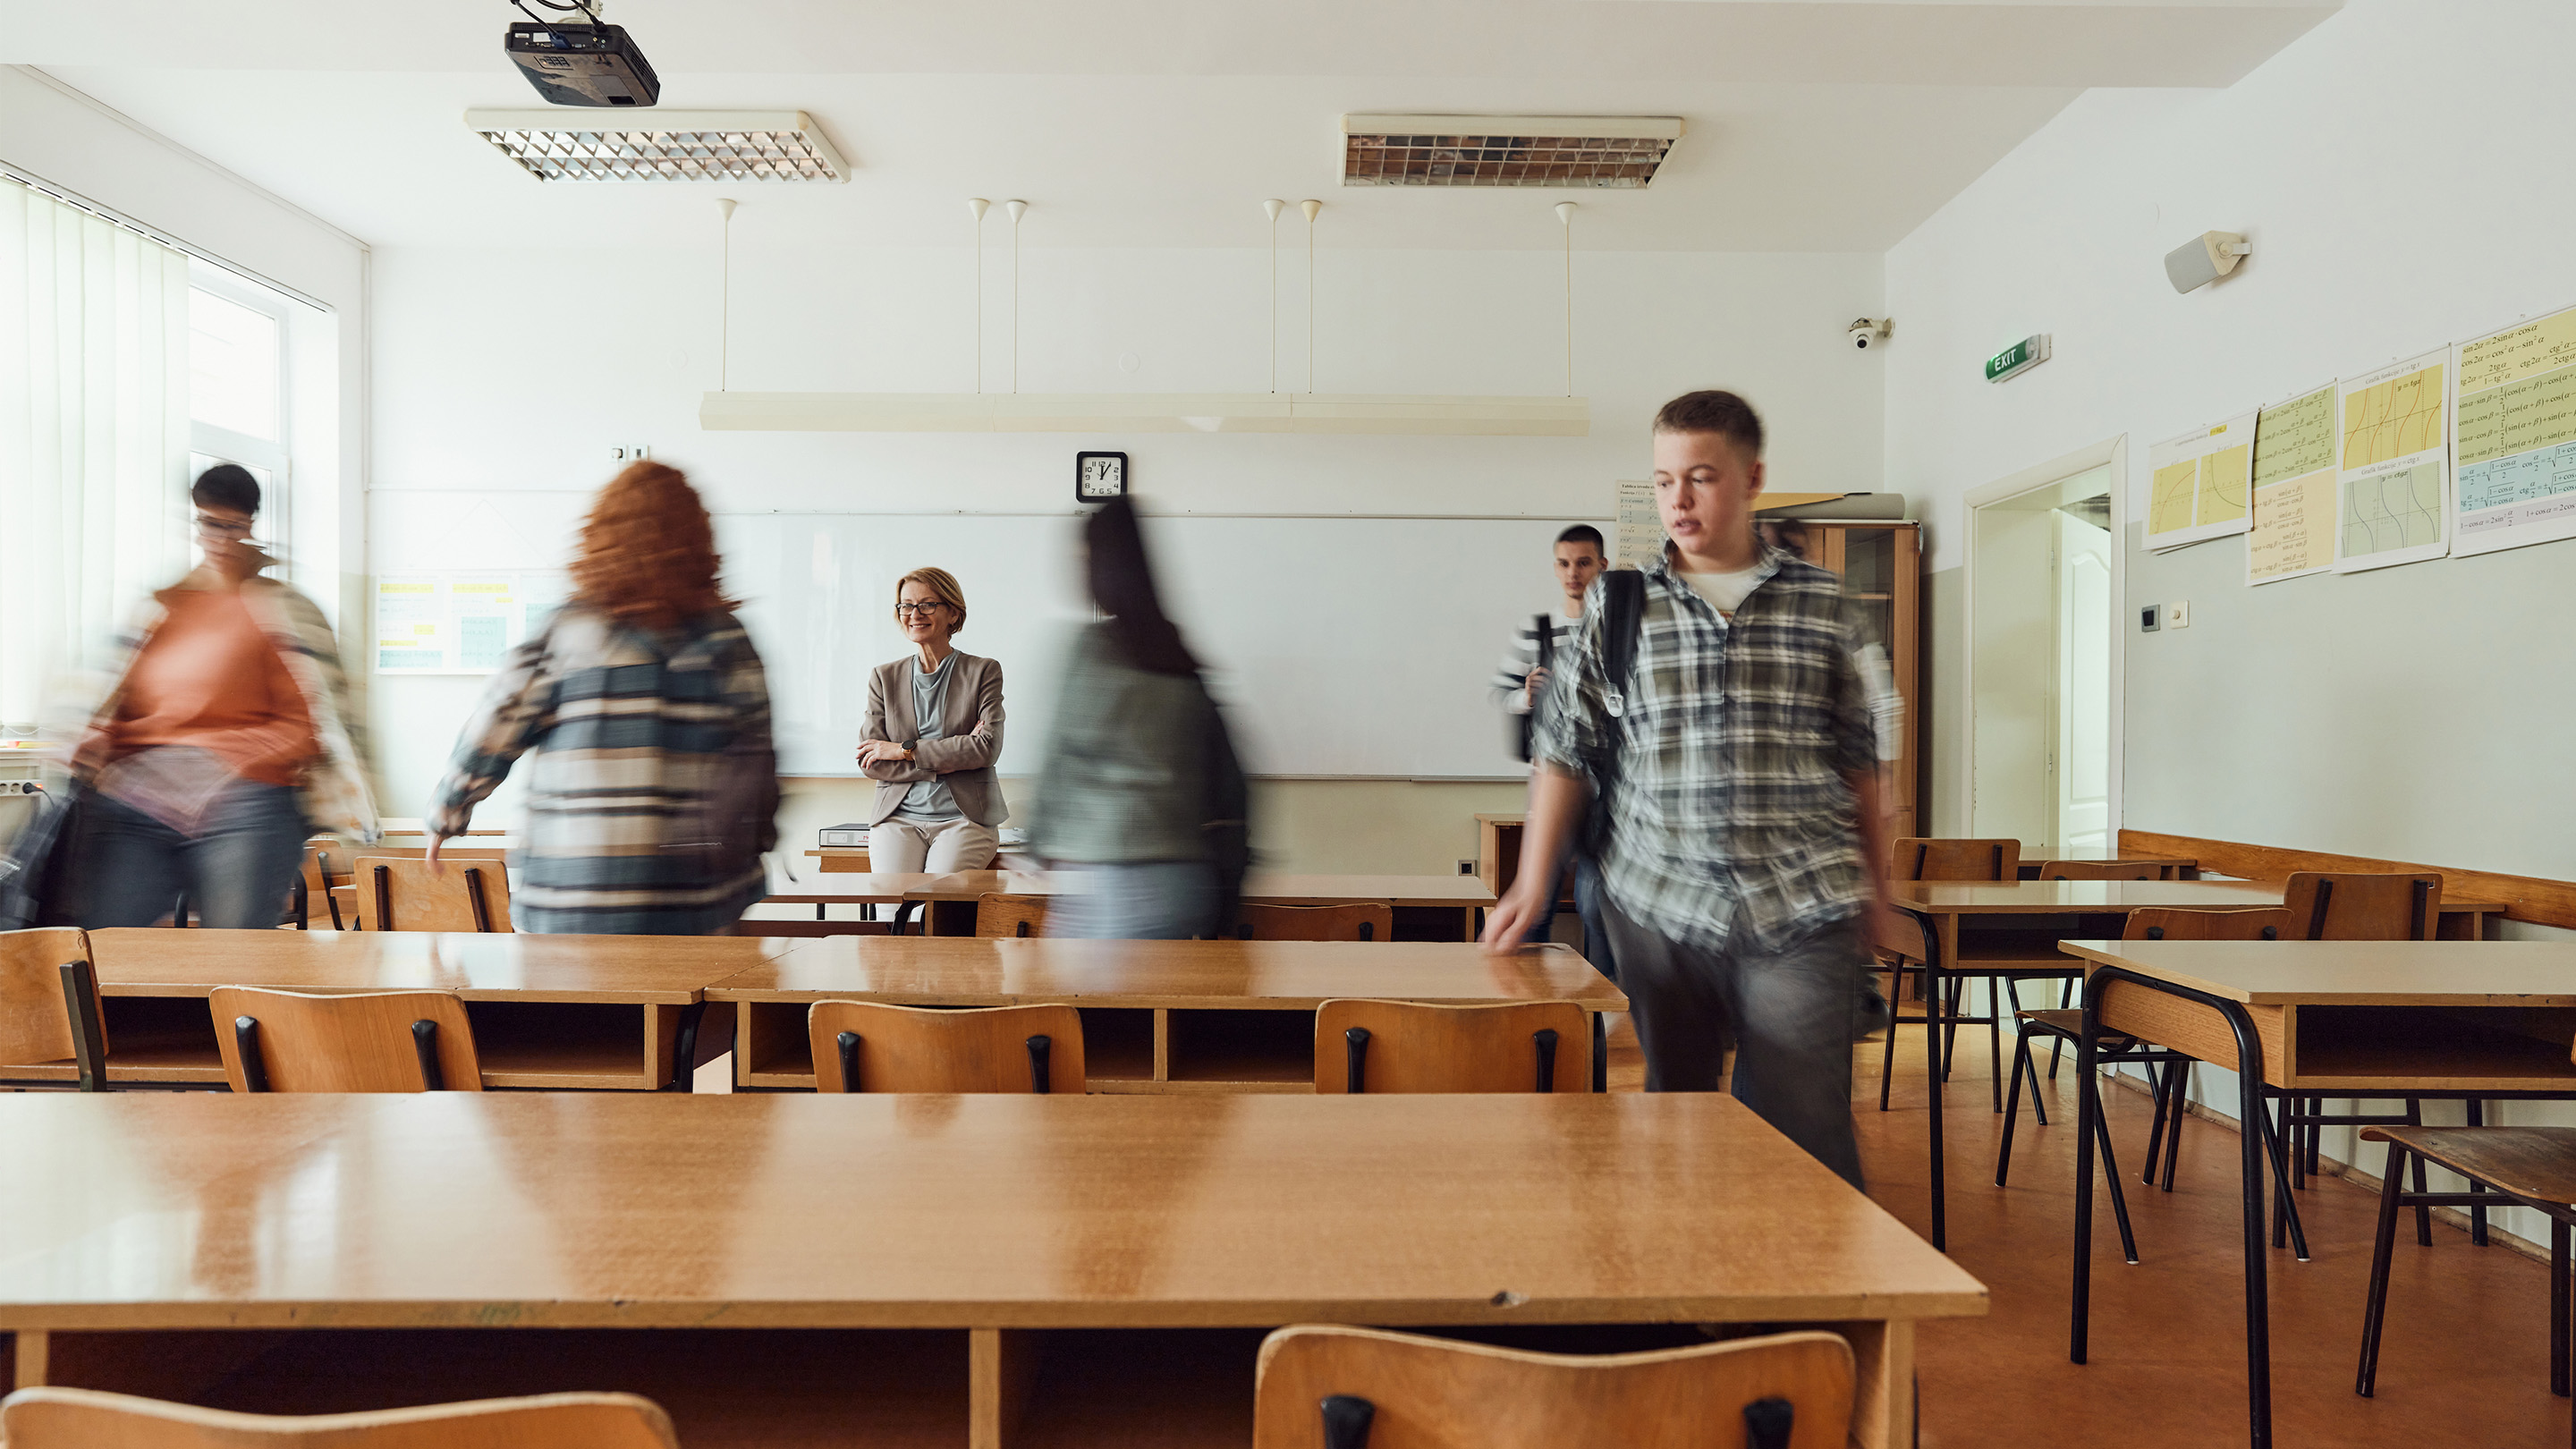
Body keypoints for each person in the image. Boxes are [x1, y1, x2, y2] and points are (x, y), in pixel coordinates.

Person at [1481, 390, 1894, 1189]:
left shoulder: (1821, 603)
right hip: (1660, 906)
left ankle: (1810, 1302)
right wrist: (1532, 887)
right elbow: (1564, 751)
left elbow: (1859, 760)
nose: (1679, 499)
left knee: (1804, 1129)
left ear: (1751, 478)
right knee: (1678, 1120)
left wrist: (1879, 889)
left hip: (1801, 901)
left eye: (1700, 477)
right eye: (1666, 480)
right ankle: (1694, 1301)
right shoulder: (1619, 604)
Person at [426, 462, 777, 934]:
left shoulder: (569, 628)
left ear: (601, 533)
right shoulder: (727, 638)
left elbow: (496, 727)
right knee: (684, 1006)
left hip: (571, 891)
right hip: (695, 895)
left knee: (572, 1007)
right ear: (698, 541)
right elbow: (759, 752)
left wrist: (448, 813)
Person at [65, 464, 377, 928]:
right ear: (196, 523)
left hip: (245, 795)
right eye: (211, 525)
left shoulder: (284, 611)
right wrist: (96, 737)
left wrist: (231, 762)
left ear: (251, 525)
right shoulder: (160, 607)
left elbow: (311, 723)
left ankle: (234, 993)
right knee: (103, 943)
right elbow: (115, 702)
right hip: (142, 795)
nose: (223, 539)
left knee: (233, 949)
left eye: (234, 527)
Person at [1025, 496, 1248, 939]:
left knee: (1077, 1010)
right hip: (1183, 881)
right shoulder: (1180, 655)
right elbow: (1222, 779)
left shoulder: (1089, 651)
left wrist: (1035, 845)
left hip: (1103, 878)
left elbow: (1058, 755)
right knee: (1157, 1010)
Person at [1489, 523, 1615, 977]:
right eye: (1564, 563)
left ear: (1602, 565)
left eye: (1583, 563)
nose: (1573, 573)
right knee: (1536, 899)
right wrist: (1527, 696)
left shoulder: (1619, 633)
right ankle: (1529, 1000)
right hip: (1553, 778)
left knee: (1595, 899)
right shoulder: (1537, 629)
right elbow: (1499, 692)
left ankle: (1604, 1011)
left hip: (1613, 788)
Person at [858, 567, 1007, 873]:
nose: (914, 614)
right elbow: (873, 761)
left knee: (936, 912)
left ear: (953, 613)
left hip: (964, 820)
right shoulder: (884, 677)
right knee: (893, 914)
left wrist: (902, 750)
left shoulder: (983, 671)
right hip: (897, 818)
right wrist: (953, 754)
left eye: (927, 604)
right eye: (906, 605)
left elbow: (986, 749)